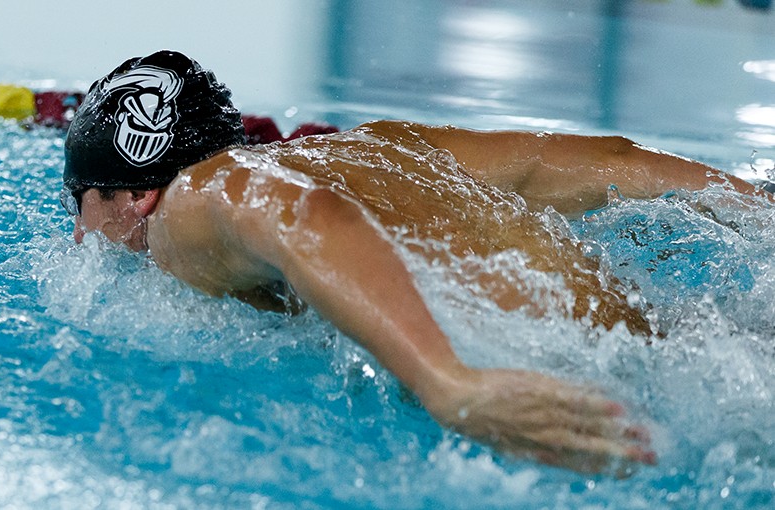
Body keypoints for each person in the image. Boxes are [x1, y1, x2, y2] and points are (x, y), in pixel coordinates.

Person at [60, 50, 767, 475]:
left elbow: (305, 217)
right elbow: (596, 161)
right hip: (675, 343)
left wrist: (448, 384)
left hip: (576, 388)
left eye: (77, 206)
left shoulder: (192, 204)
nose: (77, 237)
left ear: (133, 197)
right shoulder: (374, 146)